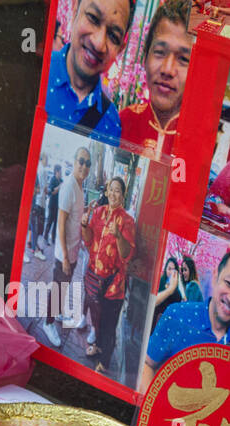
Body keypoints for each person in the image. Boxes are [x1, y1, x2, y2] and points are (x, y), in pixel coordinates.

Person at [139, 249, 230, 394]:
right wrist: (153, 411)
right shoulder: (177, 316)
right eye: (229, 283)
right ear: (215, 277)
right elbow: (147, 364)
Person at [44, 0, 134, 139]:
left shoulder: (111, 124)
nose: (98, 43)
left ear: (120, 49)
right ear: (75, 11)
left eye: (113, 36)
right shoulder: (36, 72)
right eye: (93, 18)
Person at [120, 1, 191, 158]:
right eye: (159, 52)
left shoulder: (198, 140)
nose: (167, 69)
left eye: (184, 59)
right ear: (145, 57)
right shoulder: (123, 122)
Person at [79, 176, 135, 373]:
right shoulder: (98, 212)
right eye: (111, 189)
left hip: (114, 283)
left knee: (109, 324)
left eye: (117, 190)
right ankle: (98, 348)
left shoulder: (127, 221)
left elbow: (127, 253)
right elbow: (88, 241)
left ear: (123, 195)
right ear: (106, 191)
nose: (113, 193)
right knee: (97, 317)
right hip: (95, 278)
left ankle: (104, 361)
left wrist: (119, 235)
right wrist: (85, 225)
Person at [43, 147, 92, 348]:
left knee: (64, 287)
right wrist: (64, 256)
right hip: (63, 253)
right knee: (57, 288)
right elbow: (61, 223)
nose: (84, 166)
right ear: (74, 161)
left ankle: (57, 312)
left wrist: (88, 209)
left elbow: (75, 215)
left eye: (88, 163)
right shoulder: (69, 186)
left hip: (72, 252)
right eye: (81, 161)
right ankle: (48, 323)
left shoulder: (80, 188)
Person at [42, 161, 64, 248]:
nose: (61, 173)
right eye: (60, 171)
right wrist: (60, 187)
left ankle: (54, 239)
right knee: (50, 222)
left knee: (56, 224)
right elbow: (52, 192)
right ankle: (45, 237)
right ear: (57, 171)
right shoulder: (53, 179)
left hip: (59, 206)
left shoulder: (61, 180)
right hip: (52, 205)